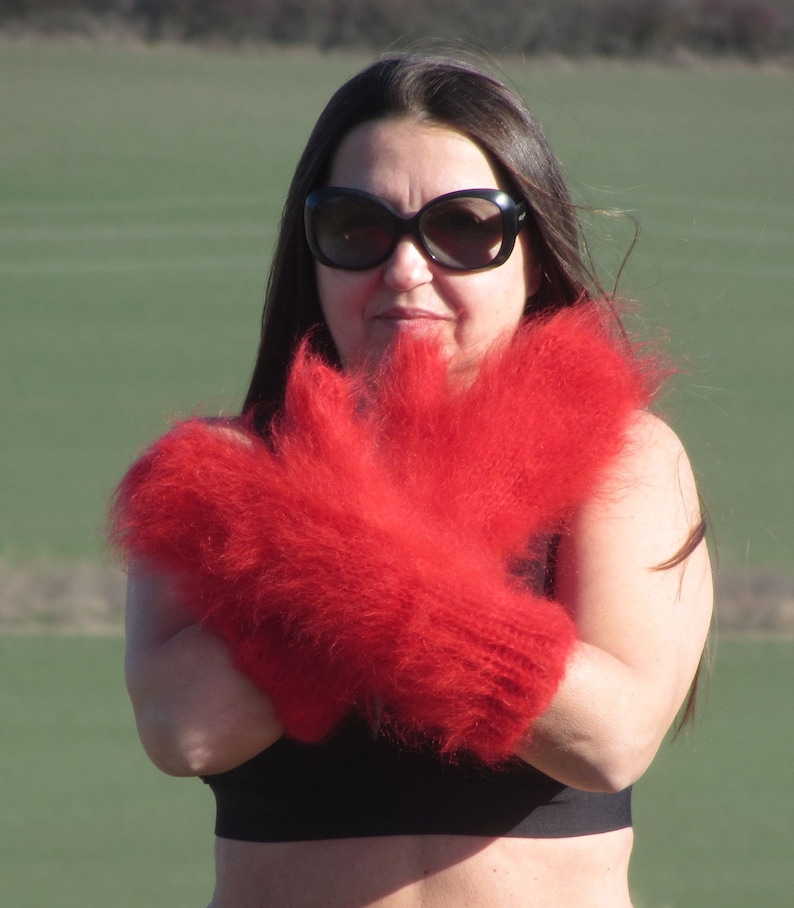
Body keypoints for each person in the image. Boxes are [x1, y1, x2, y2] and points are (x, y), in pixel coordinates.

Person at [112, 52, 713, 908]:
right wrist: (410, 542)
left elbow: (609, 737)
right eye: (357, 229)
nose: (405, 270)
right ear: (311, 253)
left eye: (465, 229)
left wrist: (327, 563)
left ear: (532, 253)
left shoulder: (621, 458)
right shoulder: (222, 476)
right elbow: (186, 730)